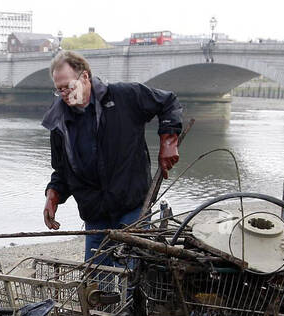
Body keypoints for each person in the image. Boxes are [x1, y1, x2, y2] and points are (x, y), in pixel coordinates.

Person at [42, 50, 183, 265]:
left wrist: (168, 142)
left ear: (85, 77)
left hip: (131, 206)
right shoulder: (59, 121)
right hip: (94, 213)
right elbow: (63, 170)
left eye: (68, 86)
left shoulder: (124, 96)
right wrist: (53, 195)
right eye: (58, 89)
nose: (63, 93)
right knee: (97, 284)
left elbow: (168, 102)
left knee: (133, 275)